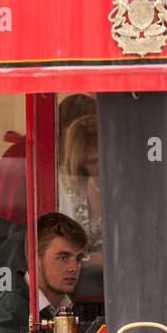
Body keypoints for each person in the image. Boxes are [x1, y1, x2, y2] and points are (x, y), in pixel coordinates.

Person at [0, 213, 88, 333]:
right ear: (35, 259)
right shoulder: (7, 309)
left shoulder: (71, 310)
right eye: (63, 258)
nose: (74, 267)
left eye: (78, 259)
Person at [58, 114, 102, 292]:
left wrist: (85, 259)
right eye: (91, 161)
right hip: (77, 289)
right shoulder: (69, 190)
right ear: (79, 164)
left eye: (104, 159)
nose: (100, 167)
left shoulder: (128, 193)